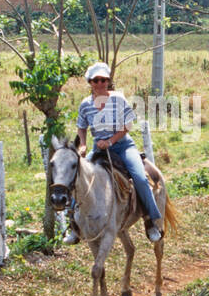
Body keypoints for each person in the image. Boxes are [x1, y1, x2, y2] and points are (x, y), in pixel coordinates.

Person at [63, 61, 165, 245]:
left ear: (108, 82)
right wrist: (84, 145)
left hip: (123, 146)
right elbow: (81, 126)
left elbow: (127, 126)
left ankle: (151, 220)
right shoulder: (85, 104)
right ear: (90, 83)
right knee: (76, 177)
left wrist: (111, 141)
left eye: (104, 80)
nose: (100, 84)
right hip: (98, 148)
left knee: (140, 178)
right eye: (96, 81)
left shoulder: (118, 99)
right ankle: (74, 226)